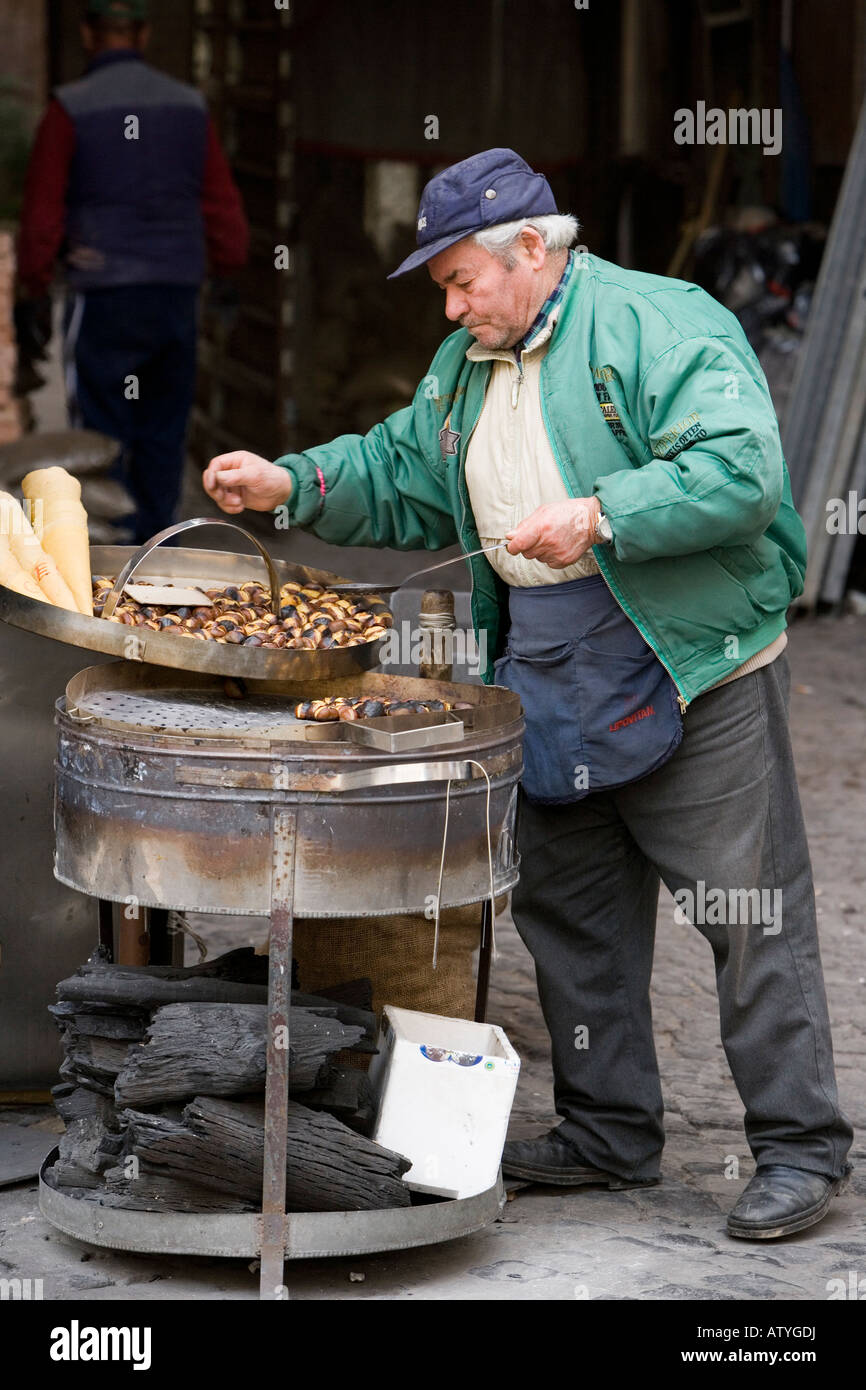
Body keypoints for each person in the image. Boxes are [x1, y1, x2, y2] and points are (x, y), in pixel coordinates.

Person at [201, 148, 852, 1240]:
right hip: (549, 672)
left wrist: (599, 514)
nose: (450, 308)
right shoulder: (466, 364)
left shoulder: (658, 322)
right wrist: (291, 483)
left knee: (747, 916)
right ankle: (607, 1132)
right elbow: (406, 469)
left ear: (534, 251)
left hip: (689, 663)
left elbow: (740, 468)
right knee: (571, 918)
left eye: (462, 281)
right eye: (444, 289)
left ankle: (795, 1147)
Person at [17, 0, 249, 543]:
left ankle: (109, 558)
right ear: (143, 34)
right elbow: (220, 201)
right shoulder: (190, 107)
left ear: (86, 34)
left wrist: (30, 290)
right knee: (163, 428)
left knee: (101, 433)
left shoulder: (68, 109)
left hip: (103, 297)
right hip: (175, 292)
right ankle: (157, 548)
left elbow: (43, 213)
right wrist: (230, 270)